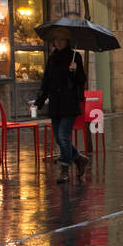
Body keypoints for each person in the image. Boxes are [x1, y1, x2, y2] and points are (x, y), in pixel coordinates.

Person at [34, 28, 89, 183]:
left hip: (69, 103)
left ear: (67, 41)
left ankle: (64, 168)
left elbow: (81, 80)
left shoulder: (75, 56)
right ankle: (79, 158)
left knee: (63, 136)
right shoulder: (52, 58)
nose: (58, 42)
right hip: (55, 103)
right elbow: (46, 81)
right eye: (56, 39)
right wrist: (39, 100)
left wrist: (75, 70)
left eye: (62, 39)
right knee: (59, 138)